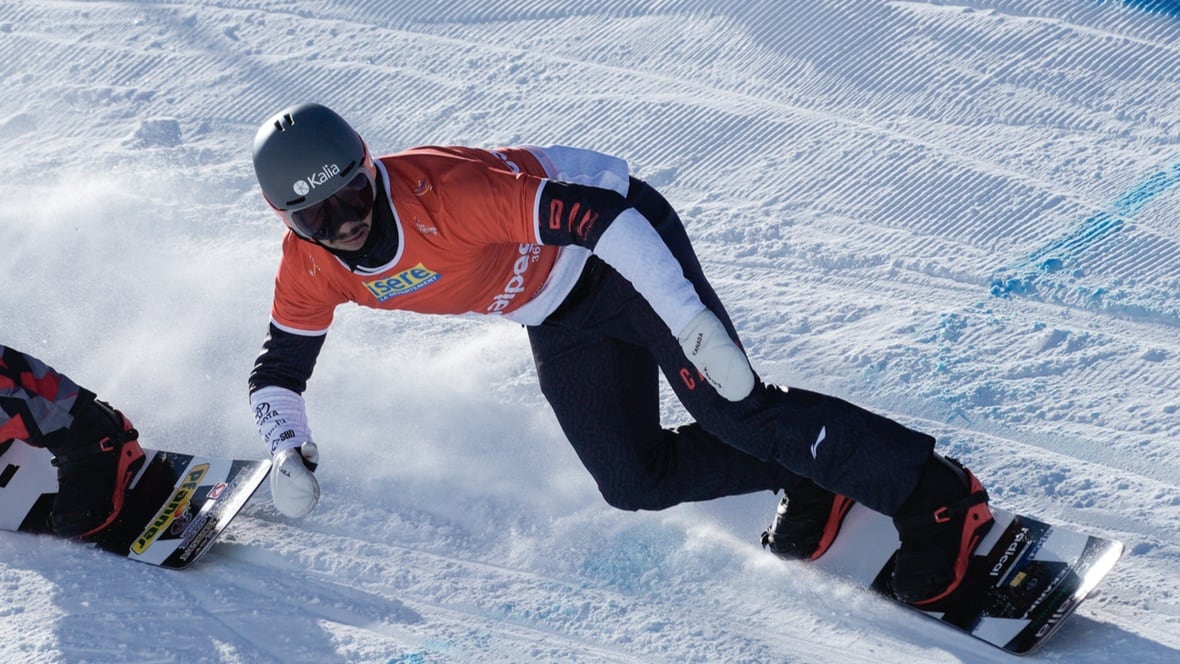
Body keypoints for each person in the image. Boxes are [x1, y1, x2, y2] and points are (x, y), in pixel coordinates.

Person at [247, 102, 995, 607]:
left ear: (371, 167)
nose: (343, 223)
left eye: (352, 194)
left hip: (619, 252)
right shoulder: (309, 268)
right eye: (317, 214)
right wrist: (288, 448)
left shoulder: (445, 194)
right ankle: (811, 473)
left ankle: (934, 492)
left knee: (732, 406)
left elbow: (599, 216)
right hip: (555, 310)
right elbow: (278, 369)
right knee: (632, 478)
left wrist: (688, 319)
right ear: (285, 218)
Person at [0, 345, 145, 538]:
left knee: (75, 520)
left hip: (83, 436)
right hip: (73, 423)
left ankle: (92, 434)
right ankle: (87, 425)